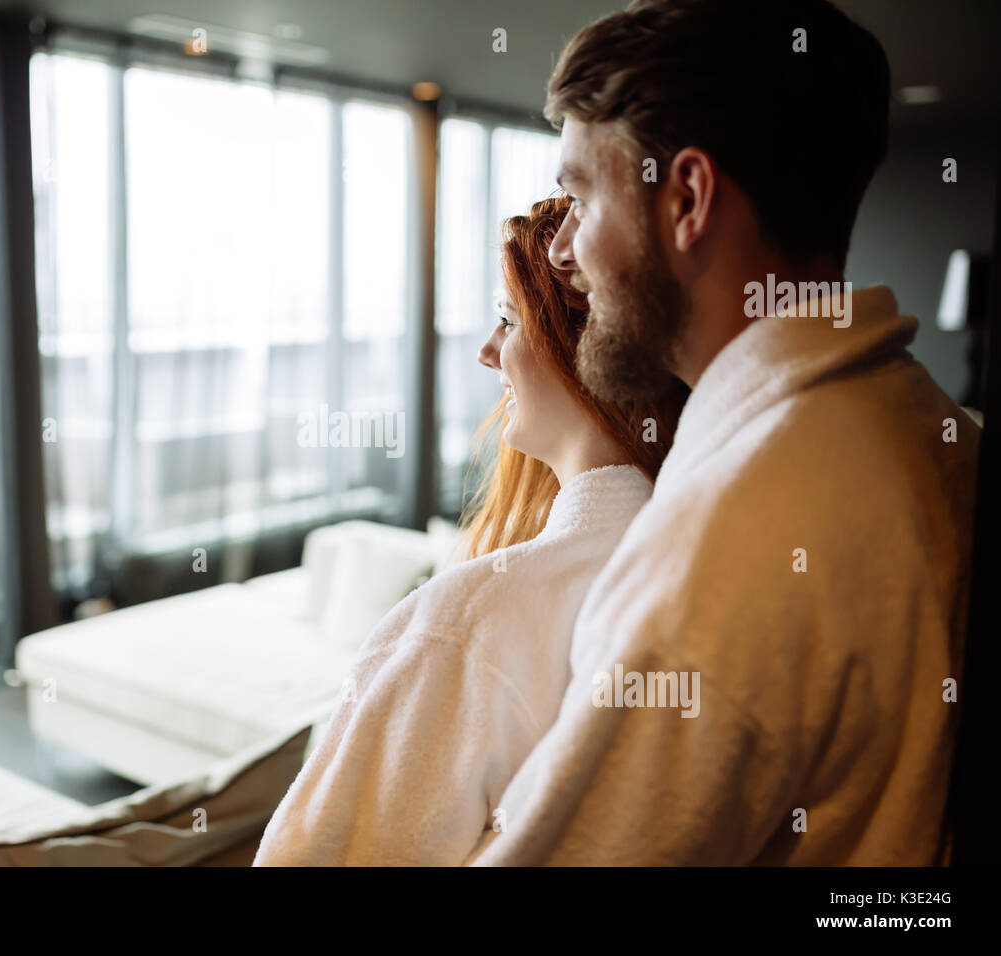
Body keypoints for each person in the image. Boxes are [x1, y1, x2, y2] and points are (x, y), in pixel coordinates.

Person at [469, 0, 981, 866]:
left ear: (688, 198)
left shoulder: (728, 532)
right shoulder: (937, 430)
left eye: (583, 195)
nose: (563, 253)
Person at [252, 197, 688, 865]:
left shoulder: (469, 619)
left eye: (510, 321)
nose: (488, 352)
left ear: (593, 350)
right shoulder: (693, 560)